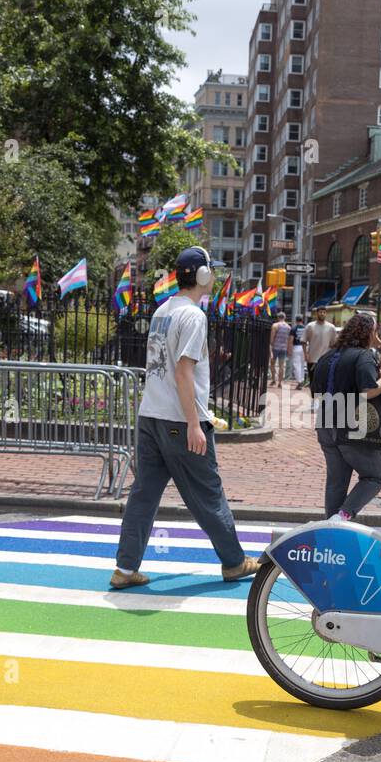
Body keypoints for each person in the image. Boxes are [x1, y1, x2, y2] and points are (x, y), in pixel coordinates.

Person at [112, 247, 260, 589]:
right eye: (212, 271)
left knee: (144, 494)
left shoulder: (163, 310)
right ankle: (235, 562)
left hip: (150, 416)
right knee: (208, 493)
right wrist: (195, 423)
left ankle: (125, 568)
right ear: (203, 276)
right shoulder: (193, 316)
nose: (215, 277)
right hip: (179, 421)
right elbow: (183, 373)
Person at [311, 312, 381, 520]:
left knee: (336, 483)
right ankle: (343, 516)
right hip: (351, 428)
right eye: (375, 331)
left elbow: (316, 391)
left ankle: (331, 529)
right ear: (368, 332)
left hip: (326, 425)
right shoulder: (362, 356)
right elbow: (368, 390)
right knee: (375, 476)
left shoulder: (328, 356)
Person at [303, 306, 338, 382]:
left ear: (326, 314)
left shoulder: (331, 328)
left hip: (326, 360)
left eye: (324, 312)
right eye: (320, 312)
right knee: (312, 381)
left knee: (324, 382)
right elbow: (304, 341)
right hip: (312, 359)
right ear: (317, 313)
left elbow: (334, 344)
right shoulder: (310, 326)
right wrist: (306, 355)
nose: (322, 314)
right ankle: (313, 394)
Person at [269, 312, 292, 388]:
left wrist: (270, 345)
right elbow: (289, 340)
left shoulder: (275, 325)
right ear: (284, 318)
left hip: (275, 347)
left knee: (272, 364)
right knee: (281, 366)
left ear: (278, 317)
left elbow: (272, 337)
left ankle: (273, 379)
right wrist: (289, 349)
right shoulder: (289, 327)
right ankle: (280, 382)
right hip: (284, 348)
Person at [290, 315, 307, 386]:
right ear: (302, 320)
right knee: (302, 365)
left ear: (296, 320)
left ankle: (299, 381)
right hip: (304, 347)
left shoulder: (294, 328)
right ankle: (302, 380)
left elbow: (291, 340)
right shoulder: (306, 328)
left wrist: (289, 349)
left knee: (296, 365)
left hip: (296, 347)